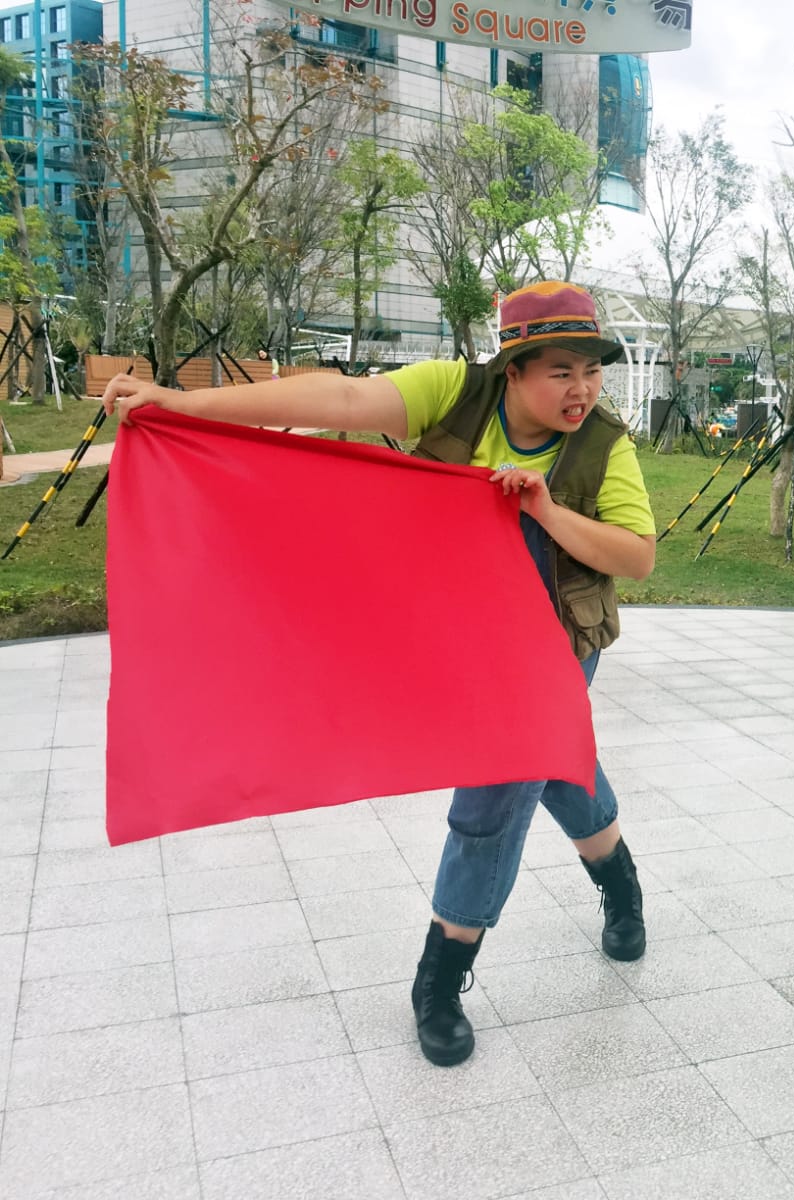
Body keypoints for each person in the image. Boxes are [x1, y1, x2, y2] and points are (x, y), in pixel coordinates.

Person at [102, 281, 656, 1068]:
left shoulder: (604, 445)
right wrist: (179, 404)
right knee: (559, 765)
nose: (581, 389)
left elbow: (636, 556)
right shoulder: (453, 393)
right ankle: (622, 881)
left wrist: (543, 511)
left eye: (592, 370)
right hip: (455, 635)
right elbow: (340, 398)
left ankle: (440, 973)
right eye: (561, 370)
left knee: (496, 794)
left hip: (555, 644)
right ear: (512, 367)